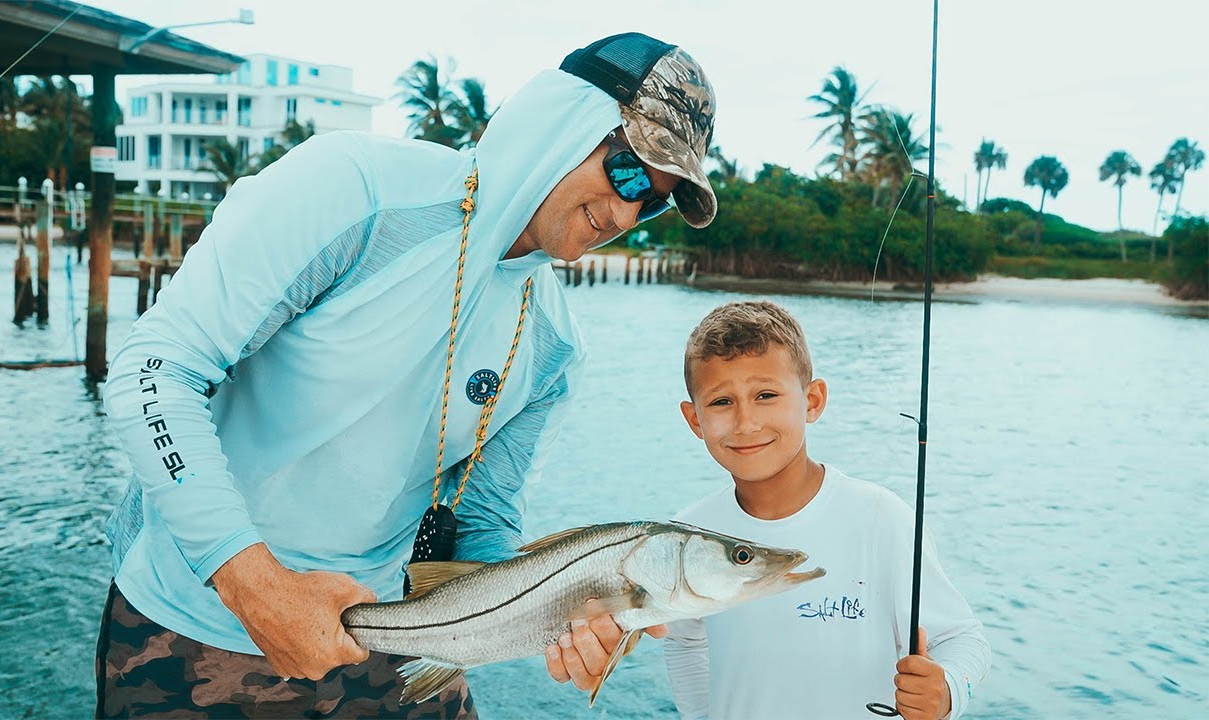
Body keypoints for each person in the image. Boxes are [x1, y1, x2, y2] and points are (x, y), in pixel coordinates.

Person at [95, 32, 718, 718]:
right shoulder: (356, 190)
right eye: (629, 173)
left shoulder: (554, 348)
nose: (626, 213)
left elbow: (482, 523)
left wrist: (558, 614)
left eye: (652, 202)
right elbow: (154, 369)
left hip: (391, 640)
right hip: (193, 631)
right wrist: (254, 585)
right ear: (561, 122)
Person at [664, 301, 991, 720]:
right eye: (721, 402)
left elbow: (964, 639)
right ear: (694, 420)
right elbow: (686, 639)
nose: (745, 422)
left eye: (766, 395)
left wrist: (946, 691)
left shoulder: (881, 517)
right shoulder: (688, 532)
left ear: (813, 400)